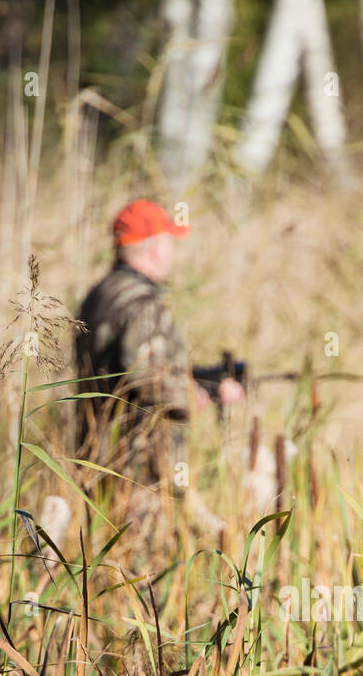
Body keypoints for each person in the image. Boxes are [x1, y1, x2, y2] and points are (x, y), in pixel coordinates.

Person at [74, 198, 244, 484]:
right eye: (170, 243)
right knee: (137, 530)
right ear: (155, 248)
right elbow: (148, 378)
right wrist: (196, 395)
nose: (173, 252)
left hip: (95, 458)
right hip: (136, 467)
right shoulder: (143, 305)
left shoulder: (100, 294)